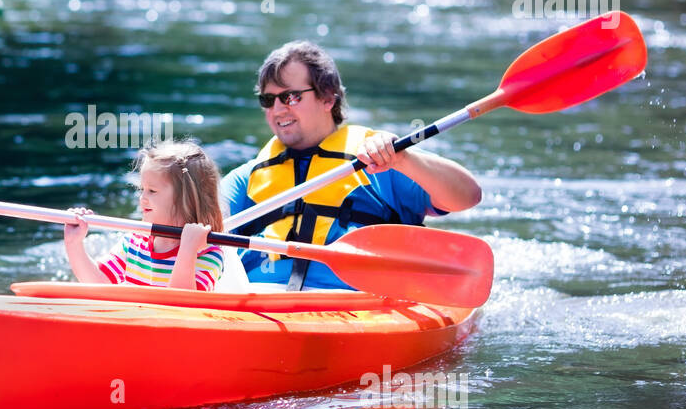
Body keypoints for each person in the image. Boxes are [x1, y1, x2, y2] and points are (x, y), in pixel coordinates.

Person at [221, 40, 482, 290]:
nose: (277, 110)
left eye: (290, 97)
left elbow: (467, 196)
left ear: (327, 99)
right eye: (268, 100)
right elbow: (198, 221)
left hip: (356, 302)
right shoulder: (248, 178)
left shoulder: (383, 161)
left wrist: (404, 160)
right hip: (260, 299)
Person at [65, 139, 242, 291]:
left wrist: (187, 250)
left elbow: (182, 307)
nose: (142, 198)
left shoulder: (209, 253)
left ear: (186, 199)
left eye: (152, 191)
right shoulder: (134, 242)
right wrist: (74, 244)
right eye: (142, 189)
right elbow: (99, 284)